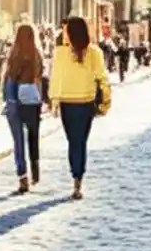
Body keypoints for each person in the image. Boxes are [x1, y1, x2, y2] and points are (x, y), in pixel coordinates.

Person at [48, 16, 112, 200]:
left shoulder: (63, 53)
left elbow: (56, 78)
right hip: (84, 103)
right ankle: (78, 179)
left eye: (66, 31)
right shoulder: (93, 53)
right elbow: (102, 78)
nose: (64, 34)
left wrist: (54, 100)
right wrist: (106, 100)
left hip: (72, 103)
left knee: (74, 142)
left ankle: (76, 176)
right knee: (80, 142)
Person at [2, 24, 45, 194]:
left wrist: (8, 101)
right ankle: (35, 169)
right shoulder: (37, 56)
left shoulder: (14, 56)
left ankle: (22, 177)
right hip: (33, 101)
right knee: (33, 137)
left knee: (18, 141)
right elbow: (40, 78)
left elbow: (9, 81)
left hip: (15, 101)